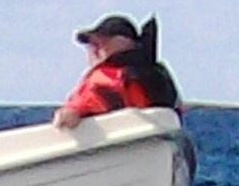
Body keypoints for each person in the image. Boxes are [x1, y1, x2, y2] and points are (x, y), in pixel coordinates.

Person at [53, 14, 182, 130]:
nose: (94, 50)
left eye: (100, 43)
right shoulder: (158, 75)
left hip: (121, 146)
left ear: (124, 43)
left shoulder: (110, 76)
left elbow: (86, 105)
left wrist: (74, 111)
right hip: (153, 142)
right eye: (91, 45)